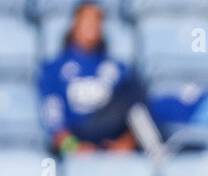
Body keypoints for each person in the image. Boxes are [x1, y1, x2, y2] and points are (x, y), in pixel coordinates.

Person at [38, 2, 146, 154]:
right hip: (78, 133)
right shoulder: (54, 69)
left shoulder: (116, 68)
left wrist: (125, 144)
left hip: (110, 137)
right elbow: (53, 119)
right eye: (87, 20)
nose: (92, 25)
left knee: (139, 91)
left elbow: (137, 106)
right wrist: (74, 148)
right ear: (75, 24)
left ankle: (156, 150)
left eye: (97, 20)